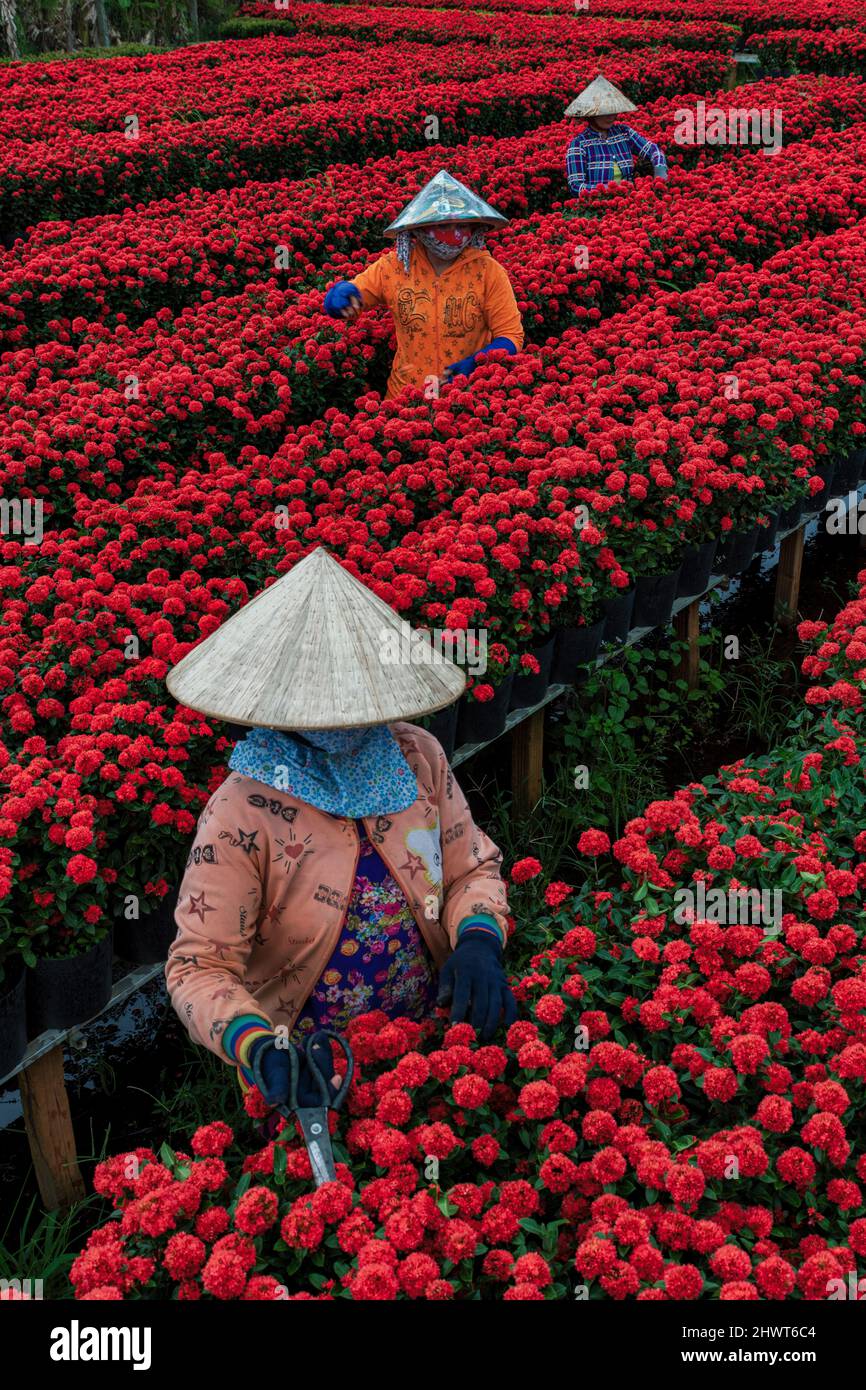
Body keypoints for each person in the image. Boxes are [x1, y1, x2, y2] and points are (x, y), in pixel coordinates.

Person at [164, 546, 516, 1109]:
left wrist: (477, 937)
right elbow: (197, 967)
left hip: (432, 1033)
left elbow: (470, 867)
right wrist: (257, 1046)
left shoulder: (415, 756)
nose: (345, 721)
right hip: (310, 1065)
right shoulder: (241, 812)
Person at [322, 168, 524, 398]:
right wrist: (339, 295)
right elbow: (357, 294)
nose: (455, 234)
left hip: (466, 399)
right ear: (418, 230)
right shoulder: (394, 266)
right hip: (405, 396)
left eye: (463, 225)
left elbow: (511, 336)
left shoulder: (489, 272)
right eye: (443, 226)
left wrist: (476, 364)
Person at [565, 74, 668, 196]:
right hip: (599, 207)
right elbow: (576, 187)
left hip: (630, 202)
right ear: (591, 115)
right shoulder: (579, 144)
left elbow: (653, 150)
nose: (611, 116)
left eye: (613, 111)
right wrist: (607, 190)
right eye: (604, 112)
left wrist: (660, 170)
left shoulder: (624, 133)